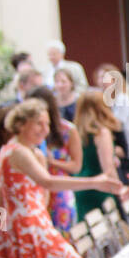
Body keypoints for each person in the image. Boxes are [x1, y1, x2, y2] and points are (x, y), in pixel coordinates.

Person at [0, 100, 122, 258]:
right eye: (39, 124)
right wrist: (94, 181)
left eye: (46, 124)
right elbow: (48, 183)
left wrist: (4, 234)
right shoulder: (17, 152)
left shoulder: (20, 151)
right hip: (30, 227)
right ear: (22, 124)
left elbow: (1, 199)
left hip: (31, 225)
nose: (45, 130)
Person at [27, 85, 82, 234]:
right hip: (35, 193)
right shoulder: (28, 134)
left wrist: (51, 162)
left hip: (59, 191)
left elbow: (76, 166)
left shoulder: (67, 130)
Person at [71, 89, 123, 221]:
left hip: (81, 185)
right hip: (100, 186)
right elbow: (108, 169)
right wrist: (120, 190)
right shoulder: (101, 133)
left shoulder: (75, 132)